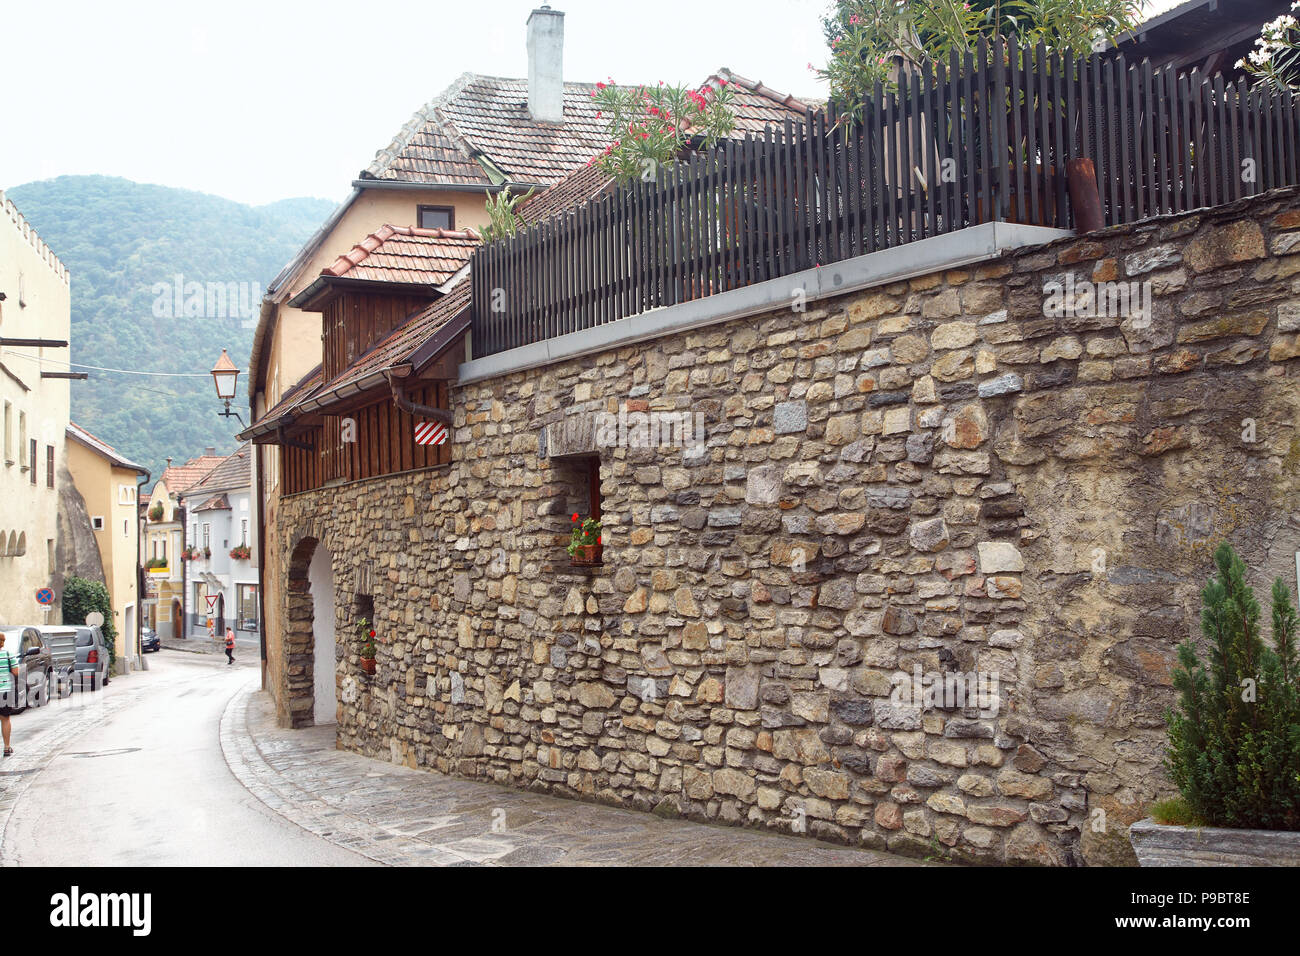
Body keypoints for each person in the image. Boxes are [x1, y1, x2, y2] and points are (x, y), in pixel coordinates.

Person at [0, 631, 20, 757]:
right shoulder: (8, 655)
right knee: (5, 719)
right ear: (3, 642)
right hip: (5, 691)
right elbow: (16, 672)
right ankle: (7, 747)